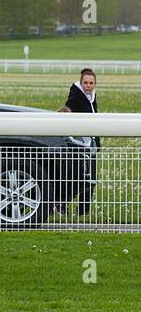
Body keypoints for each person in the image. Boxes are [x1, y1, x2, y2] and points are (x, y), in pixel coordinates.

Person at [65, 68, 99, 216]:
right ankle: (62, 206)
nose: (88, 86)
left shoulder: (91, 97)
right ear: (80, 82)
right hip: (80, 144)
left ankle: (83, 211)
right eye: (85, 82)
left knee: (89, 178)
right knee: (78, 177)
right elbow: (67, 111)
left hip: (89, 143)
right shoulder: (75, 96)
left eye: (91, 83)